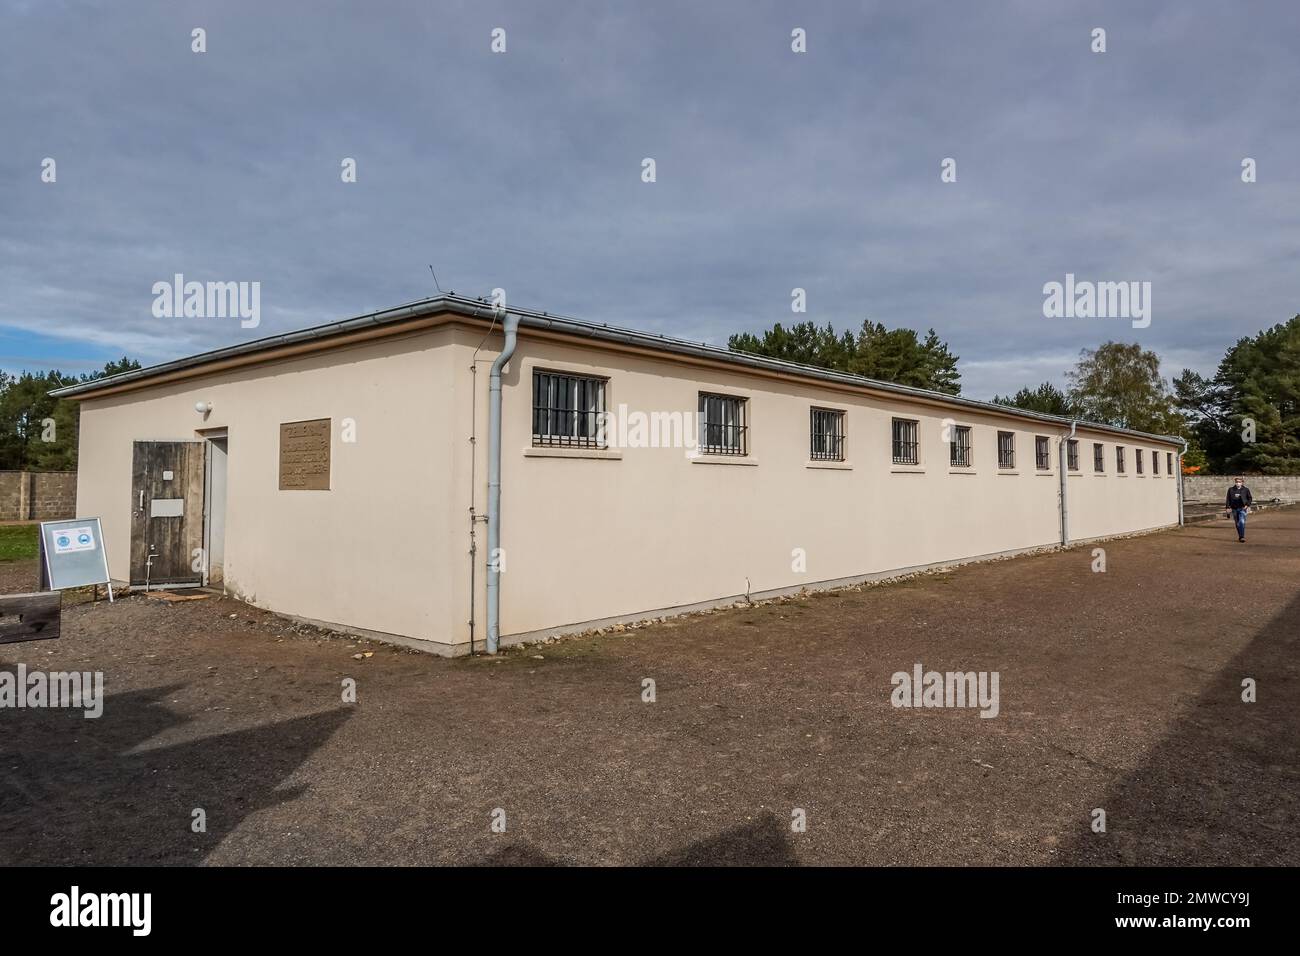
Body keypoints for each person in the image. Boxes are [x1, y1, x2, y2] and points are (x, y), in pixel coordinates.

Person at [1225, 477, 1253, 542]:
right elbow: (1228, 499)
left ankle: (1242, 537)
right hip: (1234, 508)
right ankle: (1240, 536)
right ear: (1235, 482)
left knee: (1242, 522)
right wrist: (1227, 507)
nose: (1238, 483)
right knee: (1237, 523)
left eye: (1239, 482)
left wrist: (1247, 505)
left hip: (1242, 508)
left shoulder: (1246, 489)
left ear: (1242, 482)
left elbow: (1250, 498)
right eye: (1237, 482)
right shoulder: (1231, 489)